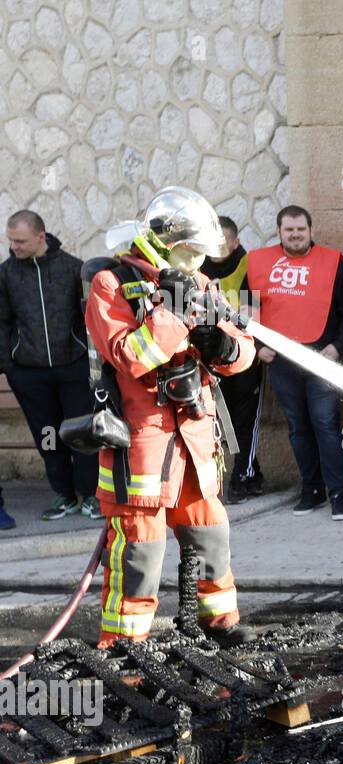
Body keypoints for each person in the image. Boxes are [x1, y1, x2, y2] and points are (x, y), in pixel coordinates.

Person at [84, 187, 255, 647]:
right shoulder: (111, 283)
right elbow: (130, 356)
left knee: (211, 536)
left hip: (195, 442)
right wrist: (174, 316)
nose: (199, 262)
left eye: (202, 253)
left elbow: (242, 349)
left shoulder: (196, 283)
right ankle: (124, 649)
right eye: (191, 252)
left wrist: (223, 347)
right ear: (167, 243)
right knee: (141, 549)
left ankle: (222, 629)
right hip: (142, 446)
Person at [245, 205, 343, 520]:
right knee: (298, 427)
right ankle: (312, 490)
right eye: (289, 230)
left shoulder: (333, 263)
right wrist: (256, 345)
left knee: (325, 424)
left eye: (301, 229)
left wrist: (338, 347)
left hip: (322, 356)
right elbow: (245, 309)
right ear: (279, 232)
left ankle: (338, 493)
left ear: (310, 230)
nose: (295, 235)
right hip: (280, 359)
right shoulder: (257, 263)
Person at [0, 210, 99, 522]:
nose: (13, 246)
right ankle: (64, 495)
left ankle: (91, 496)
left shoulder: (73, 268)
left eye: (20, 241)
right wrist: (11, 367)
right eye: (11, 240)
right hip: (29, 374)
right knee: (47, 435)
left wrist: (89, 361)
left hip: (74, 369)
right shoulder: (5, 274)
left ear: (40, 237)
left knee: (82, 432)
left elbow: (89, 320)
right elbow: (2, 323)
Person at [200, 216, 265, 504]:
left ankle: (241, 475)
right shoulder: (197, 268)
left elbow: (256, 311)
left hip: (245, 354)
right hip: (212, 356)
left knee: (245, 418)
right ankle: (252, 473)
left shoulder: (250, 265)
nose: (215, 247)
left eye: (222, 241)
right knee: (223, 421)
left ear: (235, 242)